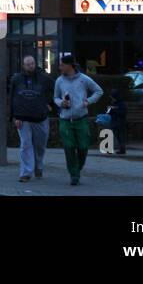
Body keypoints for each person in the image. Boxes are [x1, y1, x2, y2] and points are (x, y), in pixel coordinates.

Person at [53, 53, 102, 186]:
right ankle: (74, 174)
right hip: (65, 119)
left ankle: (77, 168)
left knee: (83, 147)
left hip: (81, 119)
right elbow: (55, 97)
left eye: (62, 65)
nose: (60, 67)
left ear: (69, 66)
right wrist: (60, 103)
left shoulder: (83, 79)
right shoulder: (59, 81)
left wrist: (88, 101)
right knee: (69, 147)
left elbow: (99, 91)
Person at [9, 55, 53, 182]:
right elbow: (12, 98)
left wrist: (50, 103)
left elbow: (55, 89)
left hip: (40, 117)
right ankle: (26, 172)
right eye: (28, 64)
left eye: (32, 63)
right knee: (25, 145)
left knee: (40, 146)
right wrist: (14, 116)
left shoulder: (44, 78)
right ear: (23, 65)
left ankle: (38, 166)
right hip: (23, 118)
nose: (30, 66)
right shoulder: (17, 79)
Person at [107, 86, 128, 155]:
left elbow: (122, 113)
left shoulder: (121, 104)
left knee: (119, 135)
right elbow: (109, 112)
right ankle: (112, 148)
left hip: (120, 122)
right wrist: (110, 109)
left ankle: (121, 148)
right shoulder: (113, 103)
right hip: (114, 121)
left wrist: (114, 109)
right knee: (116, 134)